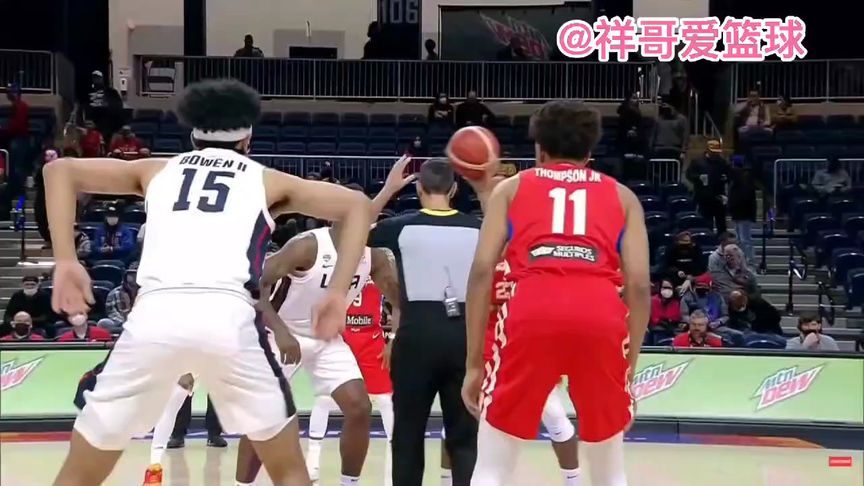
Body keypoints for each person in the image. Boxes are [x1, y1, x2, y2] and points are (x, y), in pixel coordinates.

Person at [45, 79, 372, 486]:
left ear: (192, 137)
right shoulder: (267, 180)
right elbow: (357, 206)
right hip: (229, 316)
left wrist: (66, 260)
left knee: (80, 473)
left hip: (155, 316)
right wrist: (337, 293)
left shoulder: (156, 169)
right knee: (288, 469)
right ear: (248, 140)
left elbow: (58, 171)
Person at [463, 100, 650, 486]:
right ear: (590, 150)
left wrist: (473, 364)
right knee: (610, 470)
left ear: (539, 149)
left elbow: (482, 272)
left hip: (532, 309)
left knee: (493, 465)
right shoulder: (623, 197)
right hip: (599, 312)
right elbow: (639, 286)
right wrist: (629, 366)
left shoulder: (511, 189)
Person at [234, 214, 401, 486]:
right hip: (284, 333)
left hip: (326, 338)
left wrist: (394, 336)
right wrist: (279, 330)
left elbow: (400, 301)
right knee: (263, 412)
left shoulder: (374, 257)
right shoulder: (308, 246)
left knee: (359, 406)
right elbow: (253, 284)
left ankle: (349, 483)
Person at [366, 159, 484, 486]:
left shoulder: (400, 227)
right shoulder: (478, 228)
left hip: (415, 338)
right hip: (463, 338)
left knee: (407, 436)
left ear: (418, 189)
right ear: (454, 189)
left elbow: (354, 230)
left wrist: (388, 190)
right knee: (465, 438)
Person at [304, 275, 400, 485]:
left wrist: (392, 340)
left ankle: (395, 466)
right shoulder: (336, 267)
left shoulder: (377, 264)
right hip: (342, 338)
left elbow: (398, 301)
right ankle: (313, 461)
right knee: (324, 400)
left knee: (387, 401)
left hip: (372, 342)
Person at [687, 140, 729, 233]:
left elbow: (728, 175)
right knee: (706, 223)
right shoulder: (697, 161)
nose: (715, 154)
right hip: (704, 197)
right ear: (707, 150)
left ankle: (722, 240)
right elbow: (689, 175)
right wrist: (698, 177)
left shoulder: (722, 162)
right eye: (713, 152)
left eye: (717, 152)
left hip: (719, 197)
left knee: (721, 225)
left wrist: (725, 178)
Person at [727, 156, 757, 264]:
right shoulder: (737, 177)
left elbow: (744, 197)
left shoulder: (744, 177)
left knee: (745, 239)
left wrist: (731, 204)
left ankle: (750, 260)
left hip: (744, 213)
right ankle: (742, 259)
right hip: (738, 212)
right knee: (740, 239)